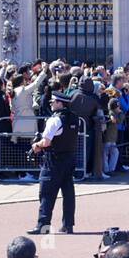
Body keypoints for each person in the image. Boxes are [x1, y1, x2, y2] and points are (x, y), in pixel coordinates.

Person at [27, 92, 80, 235]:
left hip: (53, 160)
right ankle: (68, 225)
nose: (51, 104)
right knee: (68, 193)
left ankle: (43, 225)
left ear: (60, 103)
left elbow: (46, 142)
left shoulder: (55, 120)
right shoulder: (75, 118)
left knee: (46, 193)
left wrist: (36, 146)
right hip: (69, 158)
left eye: (53, 101)